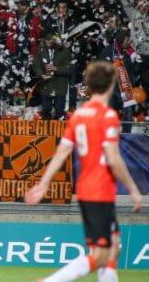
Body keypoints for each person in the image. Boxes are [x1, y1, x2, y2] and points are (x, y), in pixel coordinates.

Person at [26, 61, 144, 282]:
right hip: (100, 190)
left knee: (113, 247)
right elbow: (112, 156)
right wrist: (133, 189)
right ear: (111, 85)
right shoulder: (108, 116)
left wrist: (43, 184)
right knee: (101, 255)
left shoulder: (79, 115)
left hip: (86, 188)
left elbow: (61, 153)